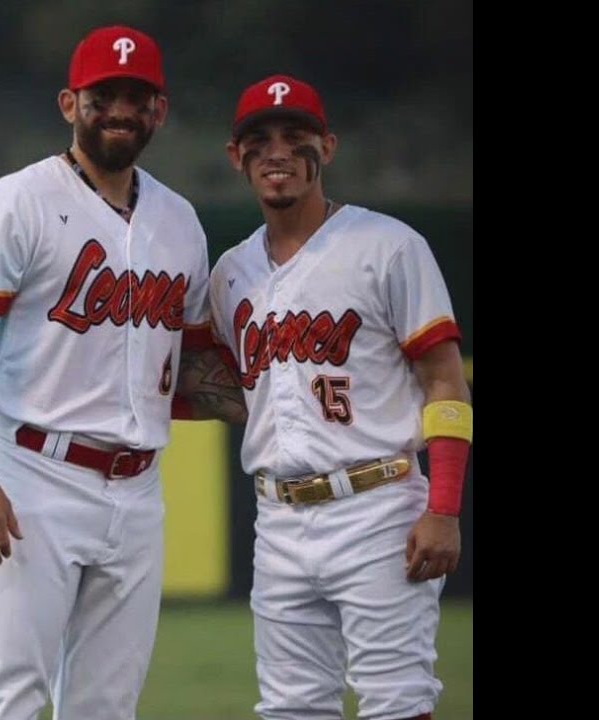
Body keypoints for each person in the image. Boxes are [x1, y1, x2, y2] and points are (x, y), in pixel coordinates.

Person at [0, 25, 242, 720]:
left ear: (158, 111)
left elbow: (187, 361)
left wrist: (281, 406)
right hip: (32, 476)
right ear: (70, 103)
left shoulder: (179, 221)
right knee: (9, 696)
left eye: (138, 97)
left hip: (136, 489)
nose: (121, 111)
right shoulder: (16, 202)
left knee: (106, 708)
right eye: (105, 96)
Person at [207, 74, 473, 720]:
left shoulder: (388, 247)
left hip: (379, 507)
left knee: (396, 699)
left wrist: (443, 507)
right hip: (278, 518)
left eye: (294, 137)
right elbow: (225, 388)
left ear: (327, 146)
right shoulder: (230, 275)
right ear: (235, 157)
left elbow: (445, 381)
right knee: (291, 707)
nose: (276, 152)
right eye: (258, 139)